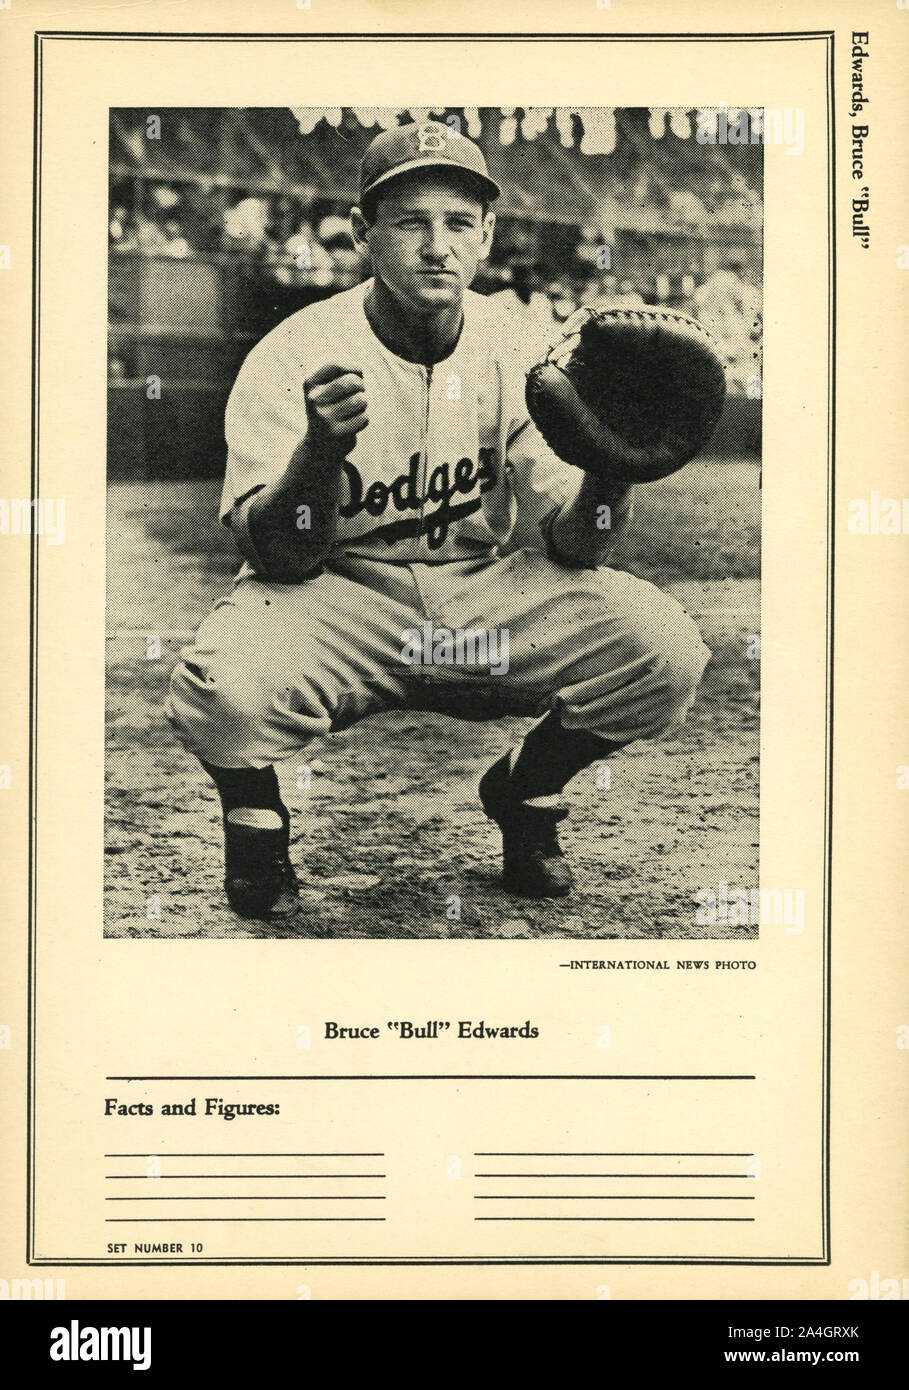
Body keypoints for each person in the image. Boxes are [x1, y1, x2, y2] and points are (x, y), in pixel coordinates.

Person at [166, 121, 709, 920]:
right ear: (363, 233)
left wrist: (611, 471)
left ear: (485, 235)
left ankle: (525, 793)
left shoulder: (519, 347)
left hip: (471, 615)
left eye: (459, 224)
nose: (437, 246)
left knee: (663, 651)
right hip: (339, 608)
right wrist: (318, 452)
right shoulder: (294, 352)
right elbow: (277, 557)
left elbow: (573, 544)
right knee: (225, 690)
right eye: (411, 222)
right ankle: (256, 824)